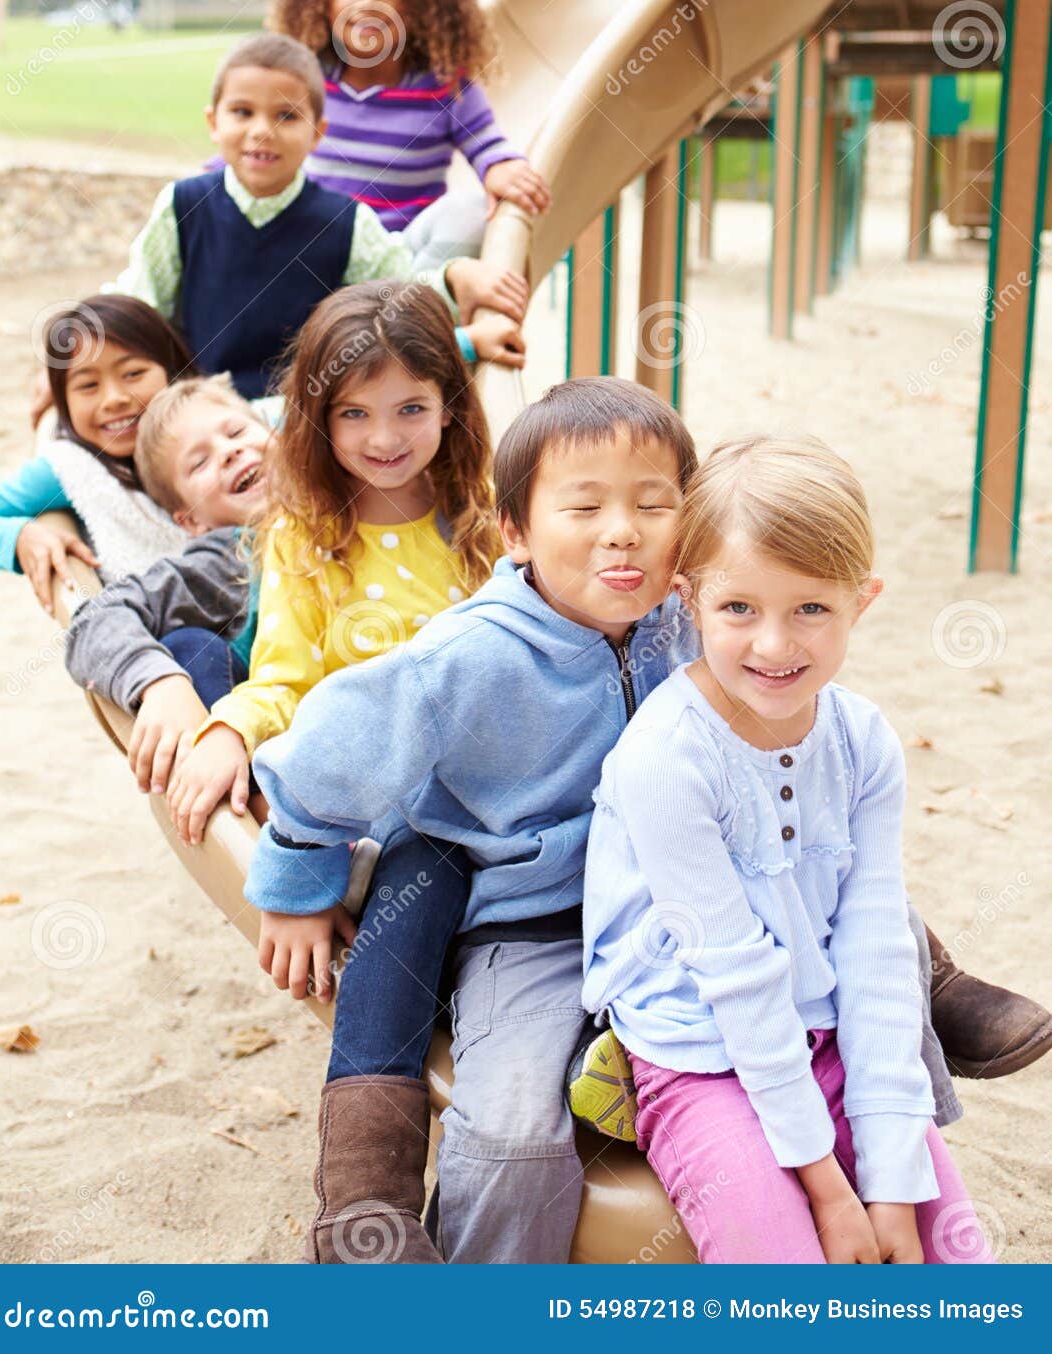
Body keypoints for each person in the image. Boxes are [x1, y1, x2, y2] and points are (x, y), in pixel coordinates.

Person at [246, 381, 1048, 1266]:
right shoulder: (465, 658)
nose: (620, 529)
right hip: (540, 922)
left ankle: (914, 1071)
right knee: (514, 1127)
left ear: (689, 534)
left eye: (652, 504)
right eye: (583, 506)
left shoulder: (700, 616)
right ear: (513, 530)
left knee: (849, 903)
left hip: (709, 894)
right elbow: (327, 751)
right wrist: (295, 877)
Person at [582, 436, 996, 1265]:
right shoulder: (666, 756)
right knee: (786, 1274)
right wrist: (828, 1189)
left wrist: (885, 1176)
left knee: (949, 1259)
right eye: (739, 609)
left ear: (861, 600)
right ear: (689, 599)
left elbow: (877, 949)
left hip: (830, 1034)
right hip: (695, 1053)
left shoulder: (862, 741)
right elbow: (730, 972)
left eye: (810, 608)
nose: (774, 646)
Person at [167, 281, 502, 1261]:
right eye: (353, 411)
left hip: (507, 794)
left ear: (449, 402)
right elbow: (283, 679)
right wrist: (229, 727)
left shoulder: (486, 519)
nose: (384, 435)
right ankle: (365, 1203)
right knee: (397, 938)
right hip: (394, 816)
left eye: (409, 407)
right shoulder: (309, 539)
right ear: (316, 415)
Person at [102, 32, 529, 402]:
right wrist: (86, 362)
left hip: (300, 418)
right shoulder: (181, 205)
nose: (261, 131)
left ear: (318, 133)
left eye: (286, 116)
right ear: (214, 123)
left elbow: (400, 302)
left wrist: (455, 281)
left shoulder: (346, 222)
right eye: (242, 112)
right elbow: (140, 307)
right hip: (197, 413)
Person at [268, 0, 551, 261]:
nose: (367, 2)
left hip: (401, 258)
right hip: (321, 251)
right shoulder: (305, 79)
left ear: (420, 0)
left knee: (470, 212)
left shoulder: (445, 88)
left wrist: (501, 166)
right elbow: (258, 138)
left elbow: (486, 144)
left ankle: (420, 303)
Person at [64, 375, 273, 816]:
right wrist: (161, 683)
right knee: (189, 649)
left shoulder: (358, 496)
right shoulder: (226, 558)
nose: (230, 451)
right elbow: (93, 620)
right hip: (279, 738)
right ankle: (263, 813)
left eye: (236, 432)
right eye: (199, 463)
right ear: (191, 521)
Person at [0, 295, 192, 609]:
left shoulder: (214, 433)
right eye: (87, 386)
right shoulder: (71, 469)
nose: (113, 399)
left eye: (133, 374)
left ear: (174, 370)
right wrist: (19, 537)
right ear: (62, 400)